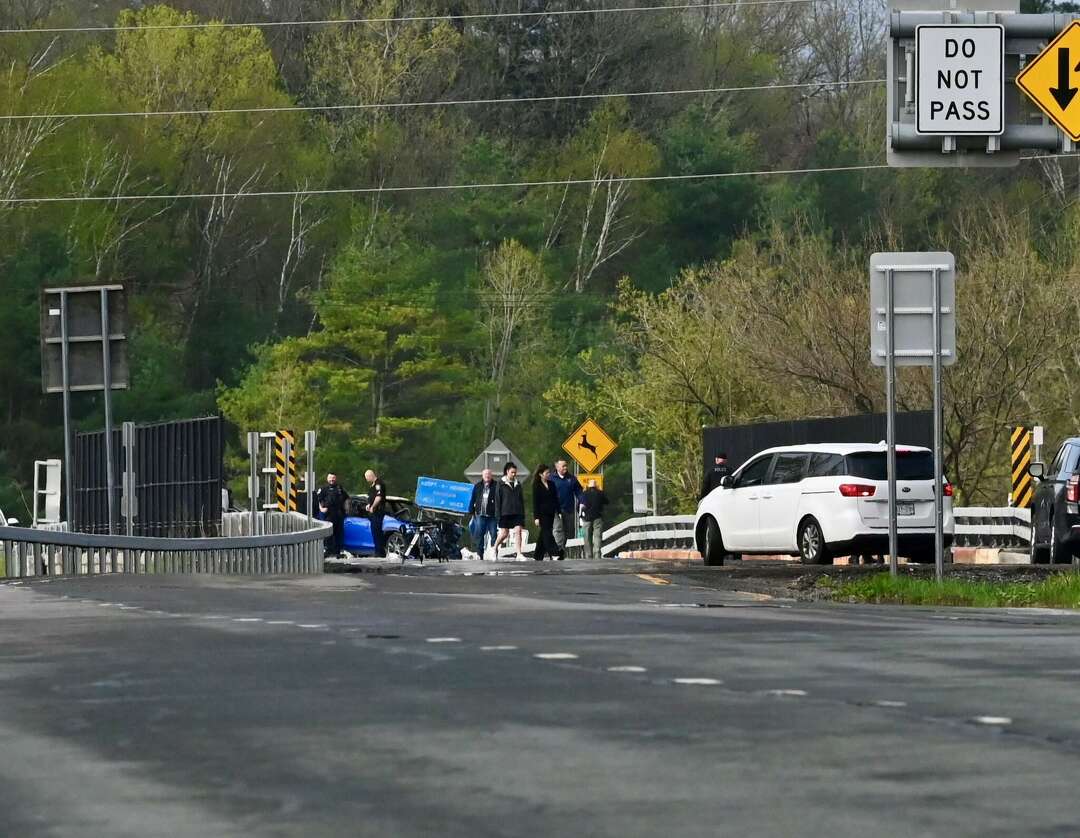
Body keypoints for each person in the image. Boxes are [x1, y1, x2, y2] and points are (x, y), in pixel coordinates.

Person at [493, 462, 526, 559]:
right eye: (512, 472)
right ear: (507, 471)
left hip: (517, 512)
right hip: (505, 512)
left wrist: (522, 514)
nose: (514, 474)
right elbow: (498, 499)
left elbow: (521, 499)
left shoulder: (518, 484)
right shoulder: (500, 483)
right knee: (504, 533)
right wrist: (498, 515)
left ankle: (519, 553)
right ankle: (494, 549)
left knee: (518, 530)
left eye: (515, 472)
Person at [550, 459, 583, 554]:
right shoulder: (551, 478)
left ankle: (561, 549)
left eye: (566, 465)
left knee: (567, 532)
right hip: (555, 509)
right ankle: (557, 551)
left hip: (568, 509)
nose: (565, 468)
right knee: (558, 529)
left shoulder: (571, 478)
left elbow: (579, 492)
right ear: (557, 467)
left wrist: (582, 501)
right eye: (563, 466)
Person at [532, 464, 561, 561]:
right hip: (541, 513)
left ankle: (537, 555)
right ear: (540, 474)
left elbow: (555, 499)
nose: (548, 474)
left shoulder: (552, 484)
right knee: (547, 532)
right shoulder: (536, 485)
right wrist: (536, 517)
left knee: (543, 534)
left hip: (551, 512)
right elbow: (535, 502)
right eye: (546, 473)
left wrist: (559, 511)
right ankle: (555, 552)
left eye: (549, 472)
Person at [469, 468, 500, 559]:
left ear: (491, 476)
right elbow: (473, 498)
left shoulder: (496, 485)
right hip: (480, 515)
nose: (487, 476)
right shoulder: (478, 486)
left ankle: (494, 553)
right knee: (480, 535)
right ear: (482, 476)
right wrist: (471, 510)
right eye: (485, 474)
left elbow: (500, 499)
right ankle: (479, 554)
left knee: (494, 534)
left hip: (492, 515)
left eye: (489, 474)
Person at [316, 473, 349, 558]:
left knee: (339, 533)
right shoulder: (324, 489)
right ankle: (328, 551)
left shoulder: (340, 488)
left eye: (333, 478)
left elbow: (346, 499)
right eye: (330, 478)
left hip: (339, 514)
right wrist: (322, 509)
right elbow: (319, 499)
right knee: (329, 534)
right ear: (327, 479)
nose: (332, 479)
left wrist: (346, 509)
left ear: (336, 478)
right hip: (329, 514)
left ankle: (337, 551)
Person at [579, 478, 609, 560]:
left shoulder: (584, 494)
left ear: (588, 486)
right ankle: (597, 555)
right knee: (597, 537)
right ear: (596, 485)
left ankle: (588, 556)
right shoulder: (600, 493)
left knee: (587, 538)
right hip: (598, 517)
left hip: (587, 518)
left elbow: (580, 505)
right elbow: (607, 502)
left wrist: (581, 516)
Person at [364, 469, 388, 558]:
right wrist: (368, 505)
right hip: (373, 512)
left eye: (366, 477)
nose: (366, 480)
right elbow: (372, 497)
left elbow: (379, 497)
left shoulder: (378, 484)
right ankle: (377, 551)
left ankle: (380, 552)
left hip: (378, 512)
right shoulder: (372, 486)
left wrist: (373, 507)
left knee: (377, 532)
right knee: (374, 532)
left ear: (370, 476)